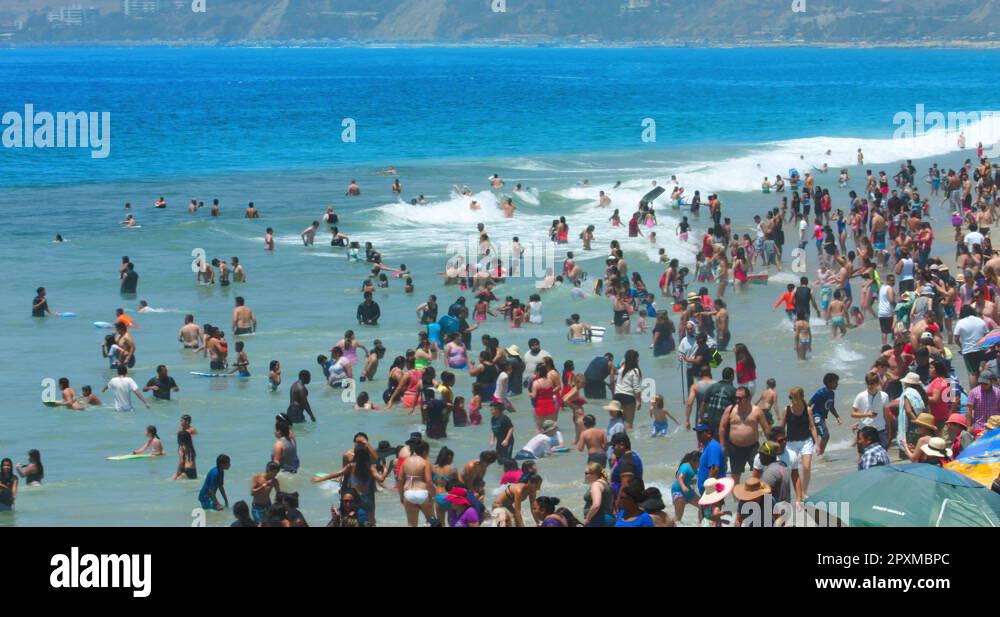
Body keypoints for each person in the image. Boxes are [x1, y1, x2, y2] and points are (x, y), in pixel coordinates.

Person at [720, 386, 770, 483]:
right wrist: (722, 445)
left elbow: (765, 428)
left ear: (747, 398)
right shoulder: (730, 409)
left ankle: (764, 498)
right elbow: (722, 427)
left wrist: (771, 444)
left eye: (740, 398)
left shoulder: (756, 410)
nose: (737, 400)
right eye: (736, 398)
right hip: (735, 448)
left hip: (753, 448)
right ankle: (738, 498)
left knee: (761, 473)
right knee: (735, 476)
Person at [852, 372, 891, 450]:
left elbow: (886, 415)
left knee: (882, 454)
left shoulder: (884, 396)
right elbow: (853, 413)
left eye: (872, 384)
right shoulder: (860, 396)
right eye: (868, 383)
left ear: (877, 384)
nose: (869, 386)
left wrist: (889, 432)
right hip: (864, 430)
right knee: (863, 456)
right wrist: (867, 415)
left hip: (880, 430)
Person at [695, 424, 727, 496]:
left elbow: (715, 469)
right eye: (697, 433)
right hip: (709, 490)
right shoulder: (708, 446)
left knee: (715, 507)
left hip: (712, 490)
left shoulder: (713, 447)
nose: (698, 436)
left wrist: (708, 489)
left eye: (700, 433)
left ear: (709, 434)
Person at [582, 462, 614, 527]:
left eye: (586, 473)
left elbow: (596, 505)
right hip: (607, 518)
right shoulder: (606, 483)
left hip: (598, 520)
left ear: (595, 474)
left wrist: (587, 519)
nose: (585, 475)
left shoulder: (596, 485)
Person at [671, 451, 700, 522]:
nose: (701, 464)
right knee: (678, 518)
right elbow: (680, 477)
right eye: (700, 462)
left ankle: (702, 524)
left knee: (703, 506)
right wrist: (683, 487)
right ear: (693, 461)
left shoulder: (695, 467)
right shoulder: (685, 466)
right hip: (679, 492)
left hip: (689, 492)